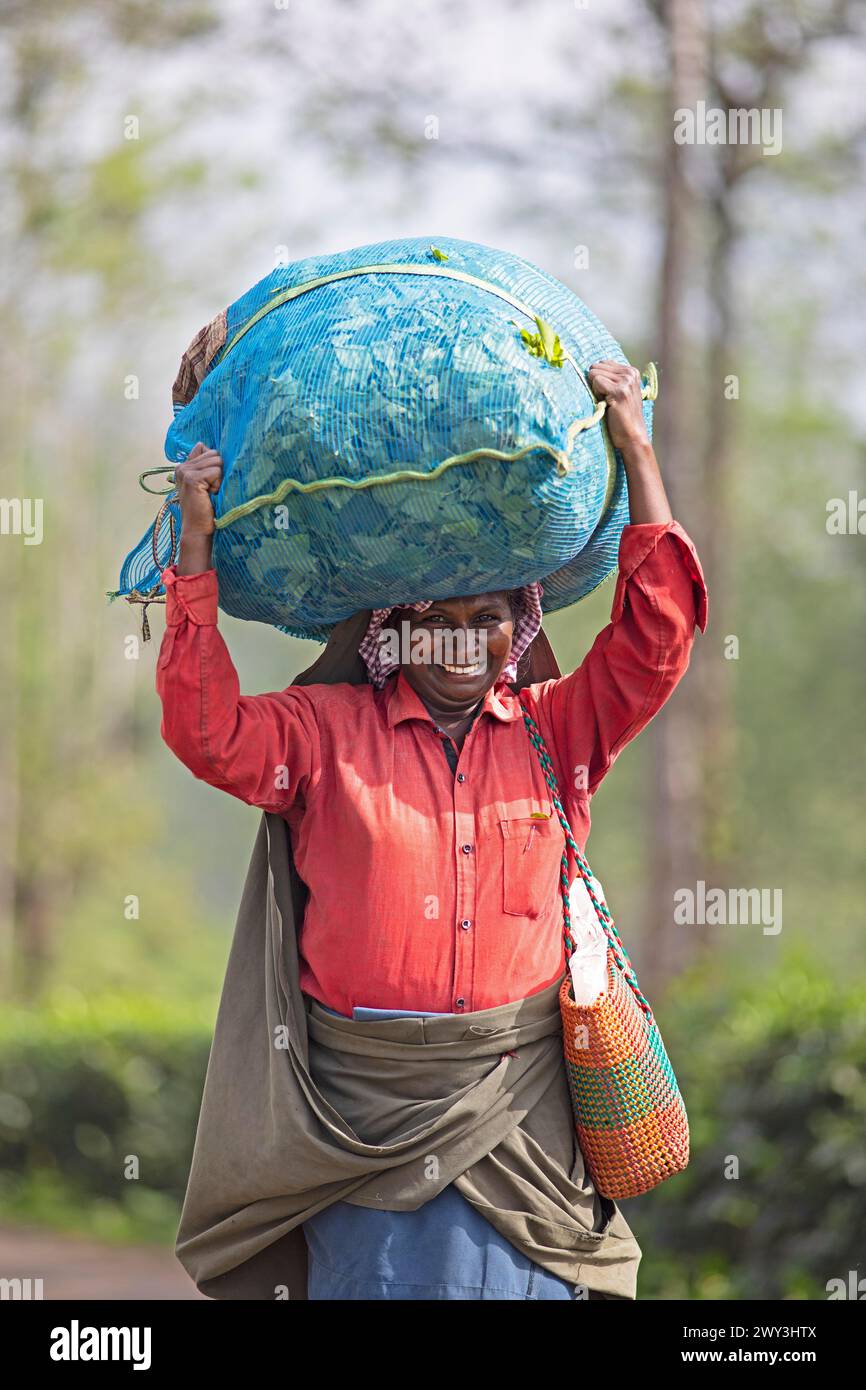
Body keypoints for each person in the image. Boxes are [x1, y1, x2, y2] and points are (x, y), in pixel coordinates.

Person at [156, 360, 708, 1300]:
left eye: (486, 619)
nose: (461, 641)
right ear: (394, 633)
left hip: (523, 1126)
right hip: (364, 1131)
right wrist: (196, 553)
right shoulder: (325, 737)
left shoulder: (556, 729)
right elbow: (207, 733)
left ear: (518, 626)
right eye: (434, 621)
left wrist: (639, 454)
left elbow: (655, 645)